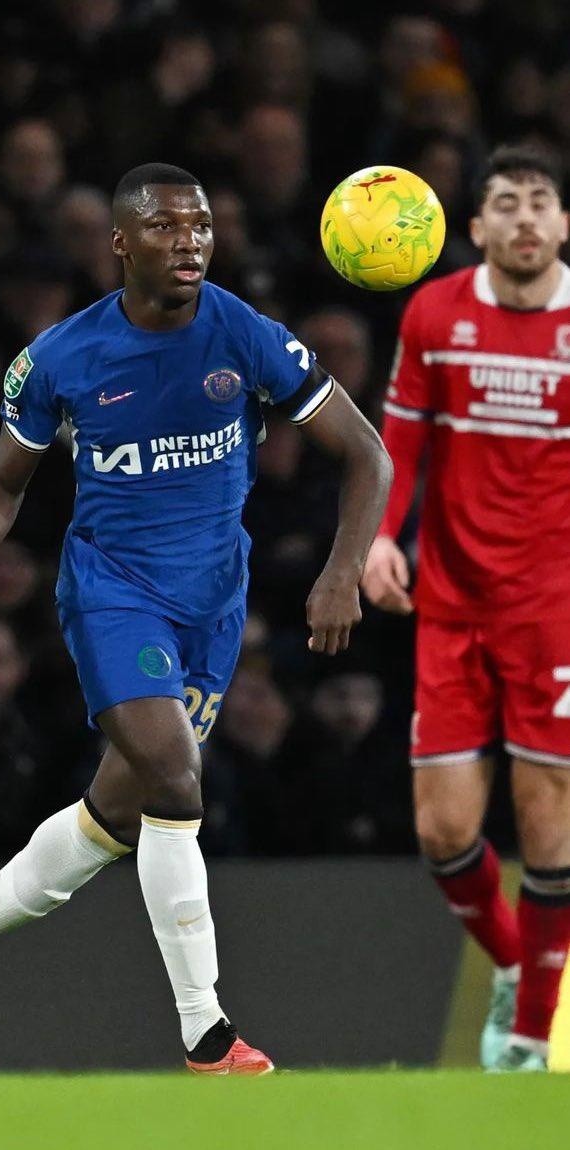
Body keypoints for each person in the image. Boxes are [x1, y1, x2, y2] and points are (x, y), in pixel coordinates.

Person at [0, 163, 391, 1074]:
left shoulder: (247, 333)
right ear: (121, 243)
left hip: (215, 604)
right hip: (113, 594)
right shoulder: (62, 359)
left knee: (113, 818)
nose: (189, 240)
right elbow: (2, 486)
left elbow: (367, 453)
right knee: (176, 780)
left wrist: (342, 569)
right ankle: (207, 1032)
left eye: (199, 225)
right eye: (164, 227)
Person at [361, 144, 570, 1073]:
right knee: (443, 830)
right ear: (475, 228)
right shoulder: (435, 312)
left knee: (547, 822)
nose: (526, 219)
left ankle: (530, 1039)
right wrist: (377, 539)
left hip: (553, 610)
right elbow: (401, 439)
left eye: (541, 203)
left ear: (563, 225)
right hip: (449, 602)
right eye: (506, 204)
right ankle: (522, 972)